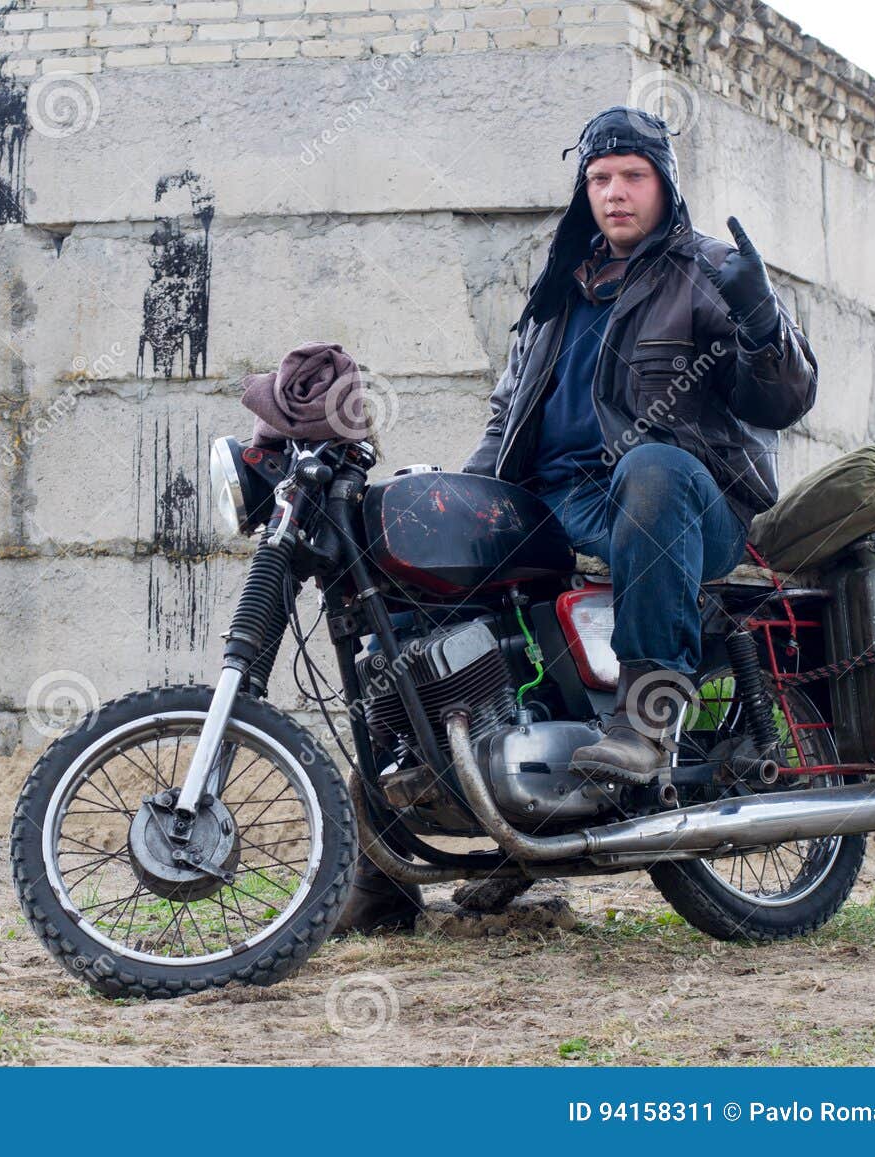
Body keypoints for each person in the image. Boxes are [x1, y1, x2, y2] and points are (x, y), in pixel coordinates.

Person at [335, 104, 822, 934]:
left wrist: (762, 321)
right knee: (406, 590)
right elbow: (505, 418)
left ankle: (648, 715)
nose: (614, 192)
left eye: (632, 176)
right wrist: (458, 509)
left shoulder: (707, 273)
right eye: (599, 178)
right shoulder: (559, 292)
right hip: (559, 506)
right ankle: (383, 862)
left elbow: (784, 397)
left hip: (686, 506)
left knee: (653, 464)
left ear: (665, 184)